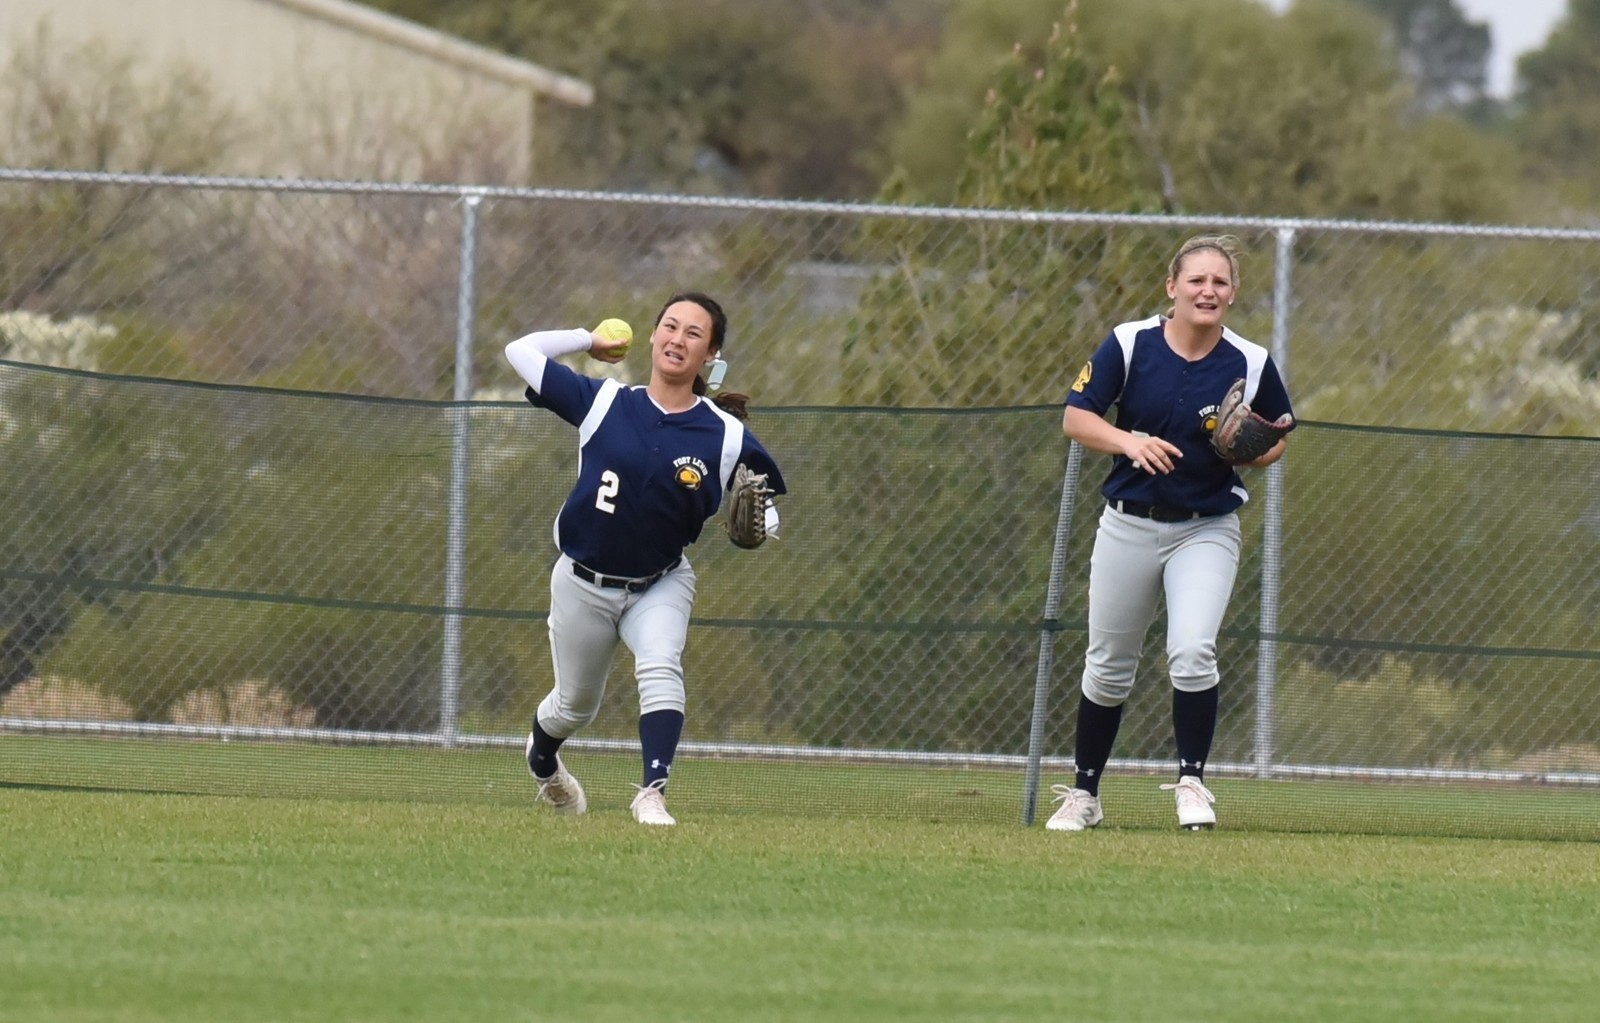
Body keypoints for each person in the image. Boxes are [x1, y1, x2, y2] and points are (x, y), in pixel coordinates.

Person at [504, 292, 786, 826]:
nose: (678, 339)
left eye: (694, 333)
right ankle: (543, 761)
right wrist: (588, 340)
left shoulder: (725, 435)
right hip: (582, 582)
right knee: (573, 706)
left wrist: (761, 527)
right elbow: (520, 351)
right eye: (670, 326)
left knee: (660, 665)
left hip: (660, 582)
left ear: (711, 356)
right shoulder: (604, 402)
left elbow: (764, 508)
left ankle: (652, 793)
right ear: (653, 336)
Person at [1049, 234, 1294, 832]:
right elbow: (1076, 417)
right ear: (1172, 287)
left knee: (1191, 651)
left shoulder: (1250, 361)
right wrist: (1127, 441)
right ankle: (1084, 795)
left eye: (1219, 282)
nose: (1207, 290)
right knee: (1108, 667)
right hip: (1128, 524)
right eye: (1196, 280)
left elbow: (1278, 436)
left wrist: (1252, 448)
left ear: (1233, 293)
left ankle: (1192, 783)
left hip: (1205, 529)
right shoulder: (1129, 343)